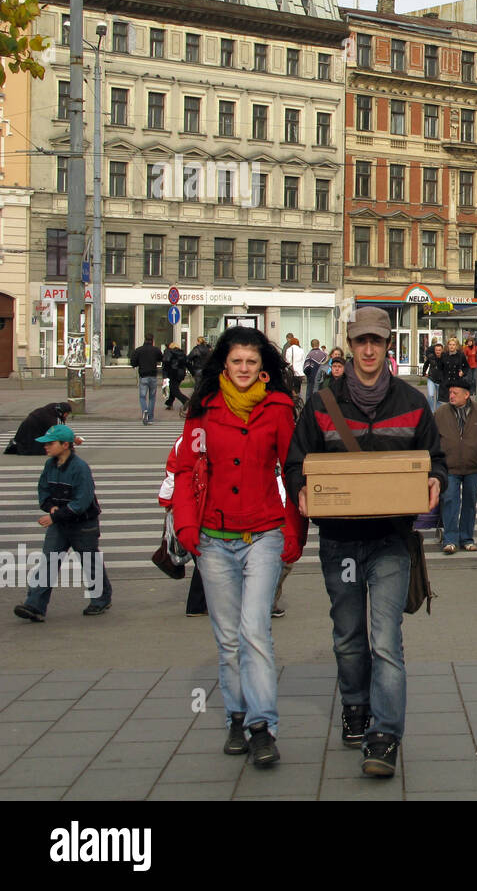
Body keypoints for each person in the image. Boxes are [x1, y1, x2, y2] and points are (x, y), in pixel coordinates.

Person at [285, 307, 447, 778]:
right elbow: (297, 461)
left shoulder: (413, 402)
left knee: (386, 640)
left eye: (377, 341)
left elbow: (434, 457)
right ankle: (355, 706)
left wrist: (436, 479)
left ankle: (385, 735)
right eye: (361, 342)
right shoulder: (321, 405)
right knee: (349, 638)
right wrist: (299, 486)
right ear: (351, 345)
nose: (369, 349)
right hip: (339, 542)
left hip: (391, 541)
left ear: (386, 345)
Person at [170, 327, 304, 767]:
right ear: (223, 366)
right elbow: (187, 468)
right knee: (227, 639)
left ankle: (263, 726)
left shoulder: (280, 407)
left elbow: (294, 470)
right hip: (212, 537)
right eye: (236, 362)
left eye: (251, 362)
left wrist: (293, 533)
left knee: (255, 633)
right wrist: (188, 528)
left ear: (263, 367)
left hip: (262, 533)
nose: (244, 369)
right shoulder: (203, 407)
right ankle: (236, 715)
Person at [12, 423, 111, 622]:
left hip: (84, 525)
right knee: (48, 562)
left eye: (50, 443)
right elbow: (43, 491)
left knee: (90, 562)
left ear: (65, 445)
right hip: (60, 524)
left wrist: (55, 516)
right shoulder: (50, 465)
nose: (46, 447)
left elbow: (82, 502)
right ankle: (35, 605)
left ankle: (101, 599)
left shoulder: (80, 468)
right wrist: (50, 506)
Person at [432, 376, 477, 554]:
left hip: (473, 467)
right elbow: (431, 438)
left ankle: (467, 538)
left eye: (455, 393)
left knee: (469, 503)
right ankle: (450, 539)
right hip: (449, 466)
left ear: (467, 395)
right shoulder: (440, 413)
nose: (451, 395)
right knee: (450, 501)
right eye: (450, 392)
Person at [158, 434, 207, 618]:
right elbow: (174, 473)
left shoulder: (185, 440)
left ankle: (199, 604)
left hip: (188, 504)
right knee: (205, 558)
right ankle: (197, 604)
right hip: (200, 505)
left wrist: (167, 502)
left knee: (203, 556)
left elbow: (172, 472)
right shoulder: (191, 438)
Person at [5, 401, 73, 455]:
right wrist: (72, 442)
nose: (67, 415)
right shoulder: (51, 419)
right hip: (31, 428)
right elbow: (59, 432)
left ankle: (16, 445)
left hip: (31, 425)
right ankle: (15, 447)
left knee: (31, 444)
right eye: (67, 413)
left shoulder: (54, 407)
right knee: (34, 449)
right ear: (62, 412)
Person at [130, 333, 165, 425]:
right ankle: (150, 418)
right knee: (152, 397)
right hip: (153, 375)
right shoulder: (156, 350)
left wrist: (139, 363)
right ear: (152, 340)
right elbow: (161, 358)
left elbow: (133, 362)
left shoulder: (139, 350)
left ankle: (144, 410)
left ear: (144, 339)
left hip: (143, 376)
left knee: (142, 396)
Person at [163, 342, 190, 411]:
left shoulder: (169, 352)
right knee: (173, 388)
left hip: (172, 373)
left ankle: (185, 400)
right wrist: (192, 372)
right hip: (181, 374)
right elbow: (187, 363)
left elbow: (166, 362)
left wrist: (165, 374)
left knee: (174, 389)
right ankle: (169, 404)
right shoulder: (182, 353)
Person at [442, 337, 470, 401]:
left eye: (453, 345)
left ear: (456, 346)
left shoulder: (460, 355)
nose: (451, 346)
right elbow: (440, 368)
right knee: (447, 402)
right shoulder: (444, 355)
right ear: (448, 345)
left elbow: (466, 367)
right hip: (446, 382)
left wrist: (463, 372)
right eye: (450, 344)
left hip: (457, 381)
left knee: (456, 401)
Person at [423, 340, 446, 412]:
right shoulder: (431, 357)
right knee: (430, 395)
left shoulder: (445, 358)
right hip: (431, 379)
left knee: (439, 399)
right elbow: (426, 364)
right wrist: (424, 372)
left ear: (442, 350)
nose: (438, 352)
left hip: (441, 381)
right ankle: (431, 411)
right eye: (436, 350)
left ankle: (438, 412)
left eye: (439, 350)